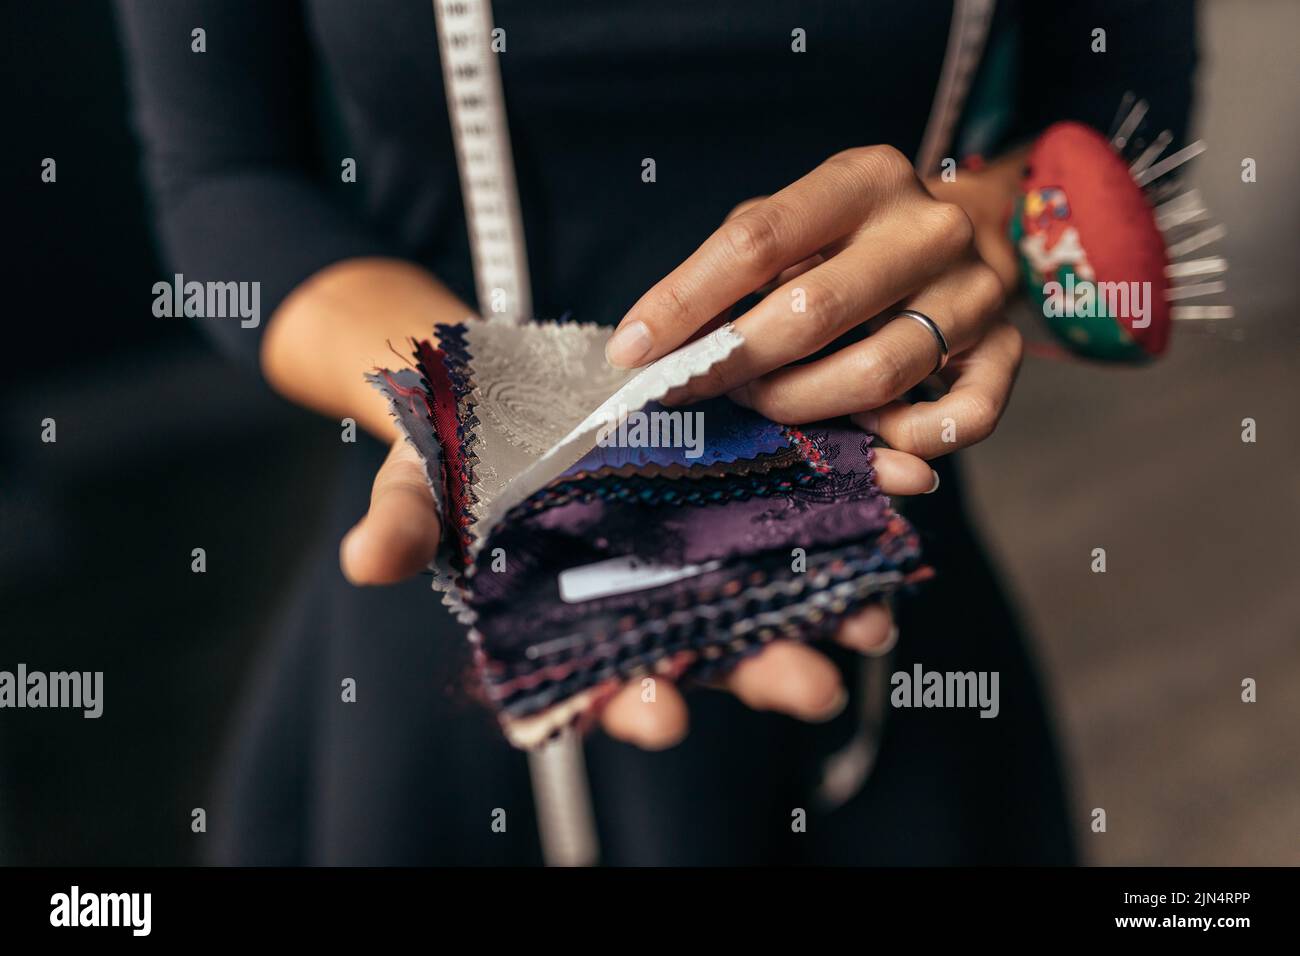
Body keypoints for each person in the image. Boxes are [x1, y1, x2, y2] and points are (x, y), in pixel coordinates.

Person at [115, 0, 1194, 864]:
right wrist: (482, 404)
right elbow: (223, 184)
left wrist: (985, 237)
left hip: (877, 576)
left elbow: (1125, 113)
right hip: (457, 608)